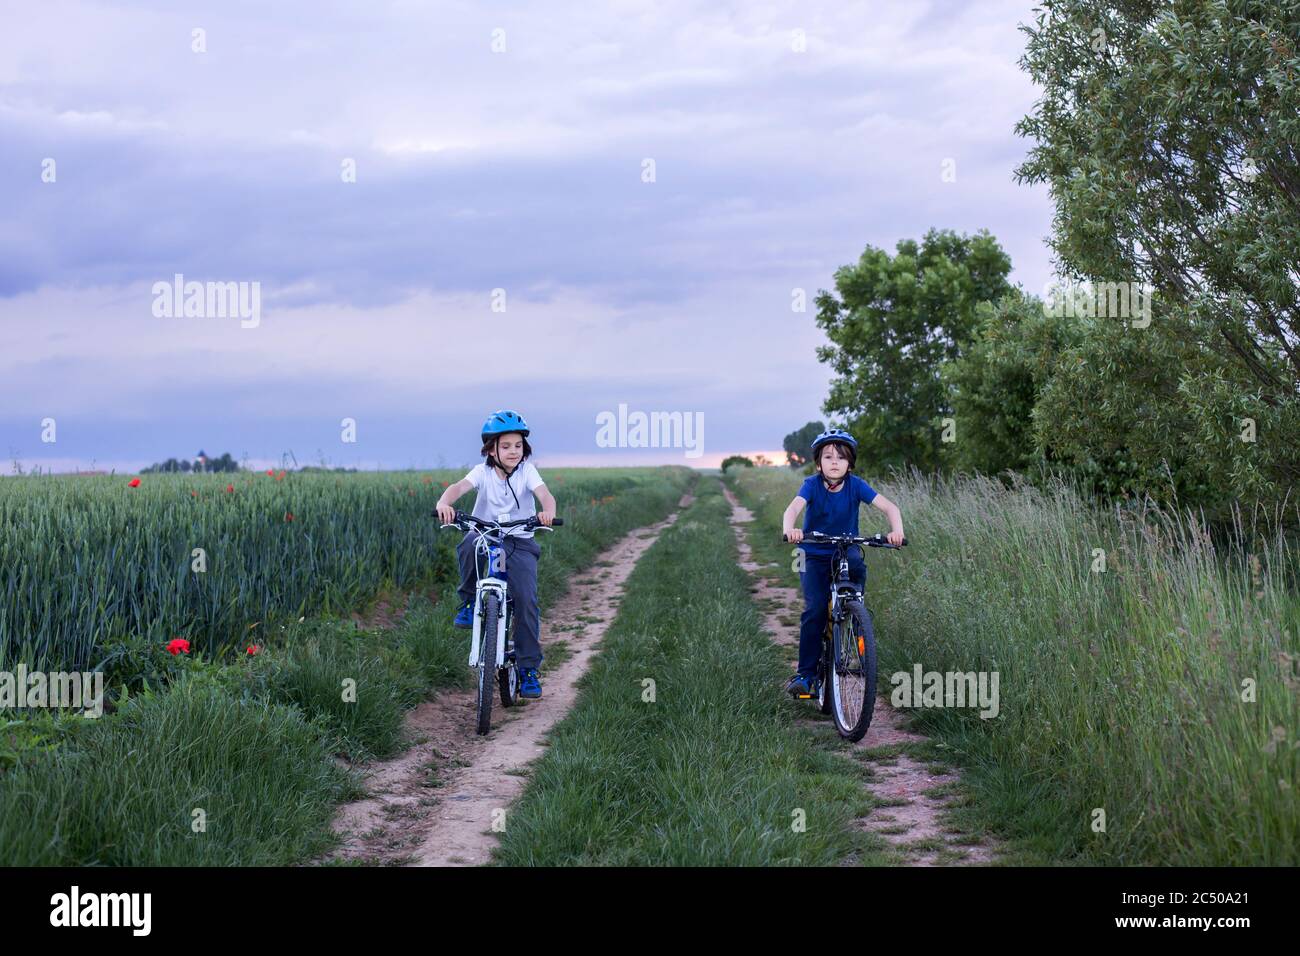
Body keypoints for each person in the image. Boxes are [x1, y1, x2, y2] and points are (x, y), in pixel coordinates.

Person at [435, 410, 557, 699]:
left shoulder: (527, 471)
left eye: (518, 445)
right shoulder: (483, 472)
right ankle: (467, 602)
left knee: (526, 600)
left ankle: (528, 669)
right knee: (467, 544)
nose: (513, 451)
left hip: (520, 540)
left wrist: (548, 512)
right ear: (491, 450)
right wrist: (444, 502)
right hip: (485, 535)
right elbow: (458, 487)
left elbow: (545, 494)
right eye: (505, 446)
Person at [780, 427, 905, 697]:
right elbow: (793, 508)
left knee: (857, 568)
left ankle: (855, 617)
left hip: (845, 549)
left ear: (850, 464)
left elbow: (890, 508)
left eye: (841, 457)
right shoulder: (811, 485)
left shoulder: (857, 485)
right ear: (818, 463)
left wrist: (896, 531)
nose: (834, 461)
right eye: (828, 457)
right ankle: (806, 675)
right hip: (813, 552)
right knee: (814, 609)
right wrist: (791, 529)